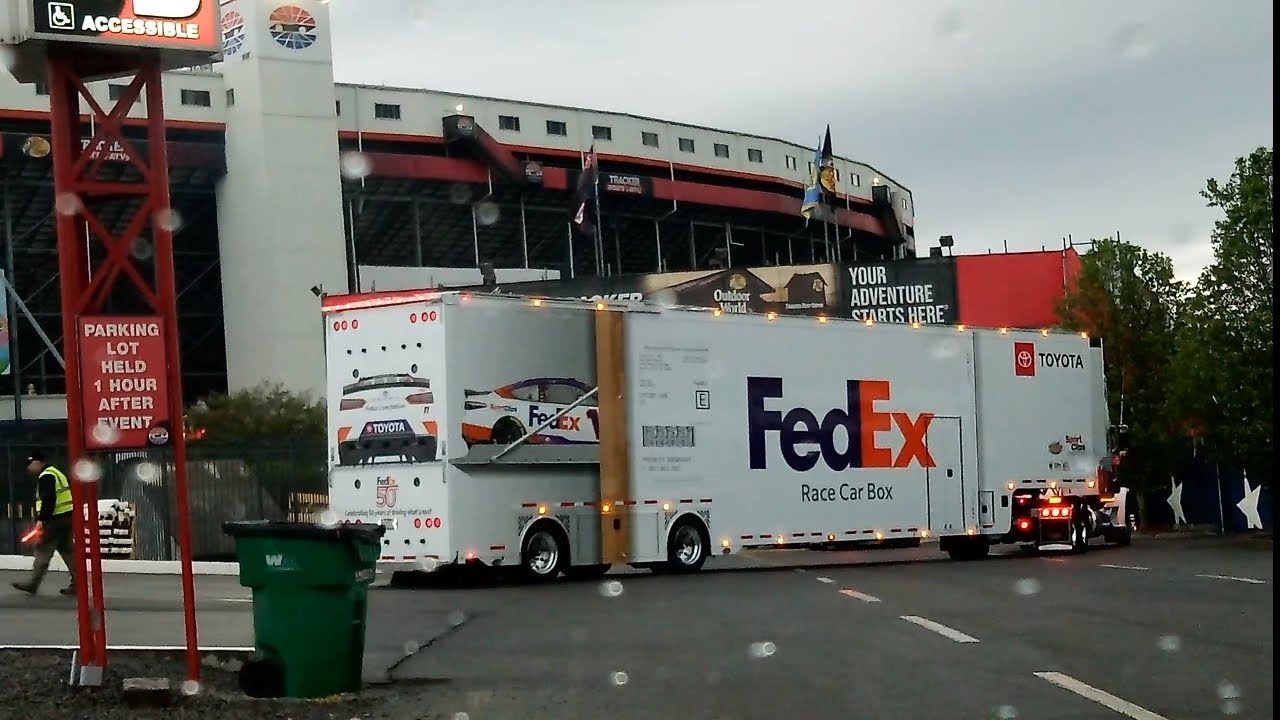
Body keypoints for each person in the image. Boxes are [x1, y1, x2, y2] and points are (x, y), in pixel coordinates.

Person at [11, 452, 76, 596]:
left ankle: (33, 583)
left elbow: (49, 500)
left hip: (53, 520)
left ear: (37, 462)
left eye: (30, 464)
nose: (29, 468)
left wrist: (42, 519)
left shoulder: (46, 476)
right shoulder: (56, 473)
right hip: (66, 518)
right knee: (68, 551)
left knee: (42, 550)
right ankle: (78, 583)